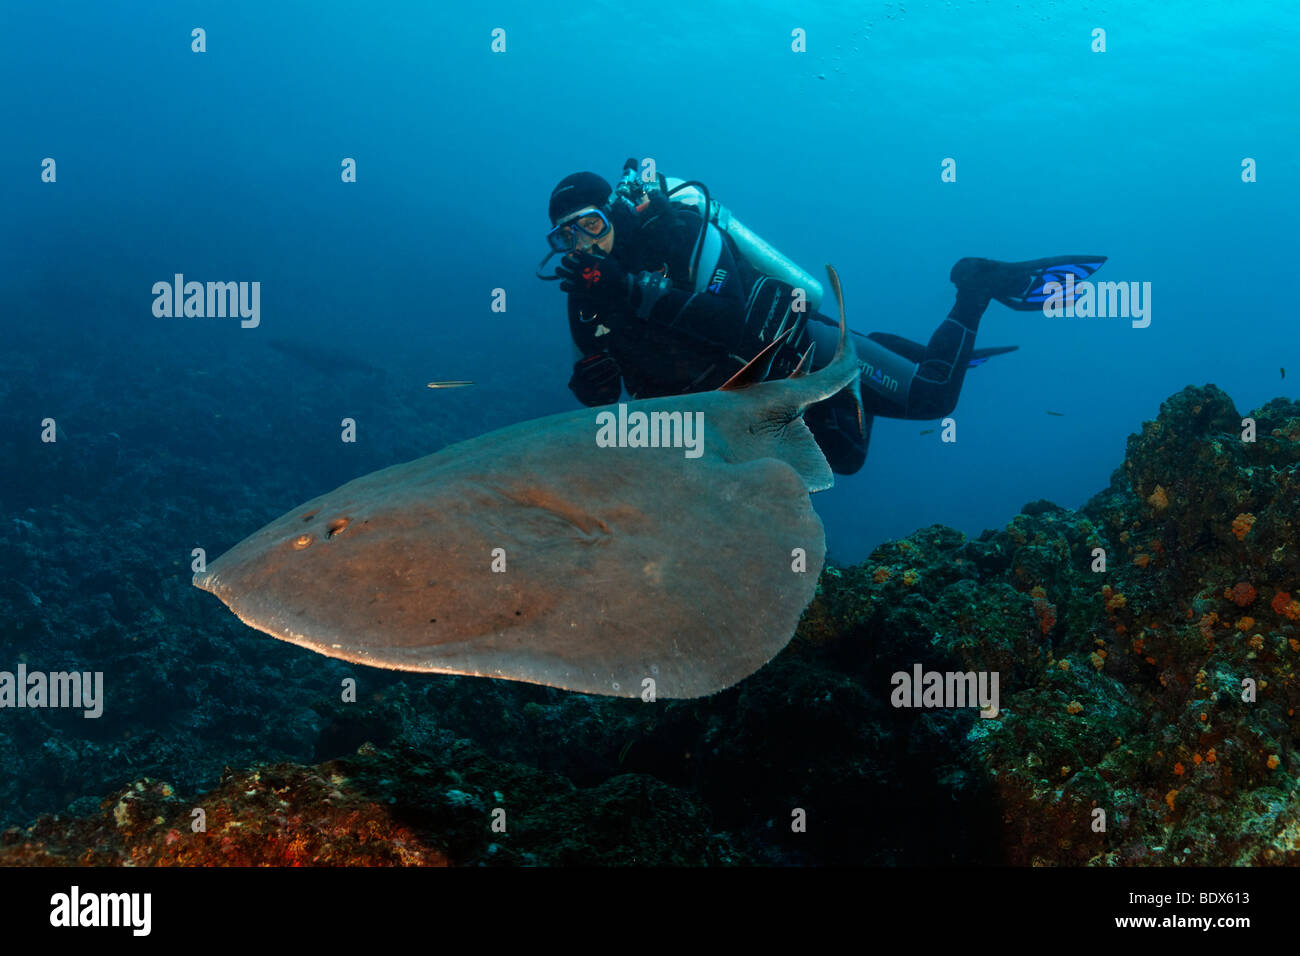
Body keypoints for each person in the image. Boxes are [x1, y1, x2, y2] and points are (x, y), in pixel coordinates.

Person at [538, 165, 1105, 475]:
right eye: (566, 235)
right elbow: (614, 395)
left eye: (588, 224)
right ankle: (880, 347)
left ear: (612, 210)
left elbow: (736, 324)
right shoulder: (585, 295)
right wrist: (591, 389)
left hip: (802, 350)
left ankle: (974, 285)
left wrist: (634, 292)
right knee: (845, 463)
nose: (581, 243)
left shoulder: (681, 235)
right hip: (753, 401)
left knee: (933, 399)